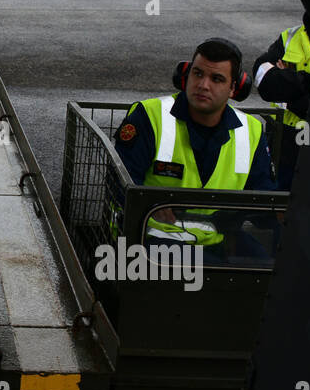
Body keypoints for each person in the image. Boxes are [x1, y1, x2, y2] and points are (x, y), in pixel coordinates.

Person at [112, 37, 276, 259]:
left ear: (233, 89)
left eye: (216, 79)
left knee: (266, 267)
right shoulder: (149, 116)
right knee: (208, 268)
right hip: (151, 239)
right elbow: (120, 182)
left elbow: (263, 195)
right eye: (198, 74)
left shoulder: (251, 130)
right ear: (185, 75)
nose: (203, 85)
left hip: (215, 238)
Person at [253, 11, 310, 190]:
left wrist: (286, 80)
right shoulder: (289, 36)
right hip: (281, 134)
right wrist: (308, 81)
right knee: (274, 192)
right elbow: (262, 77)